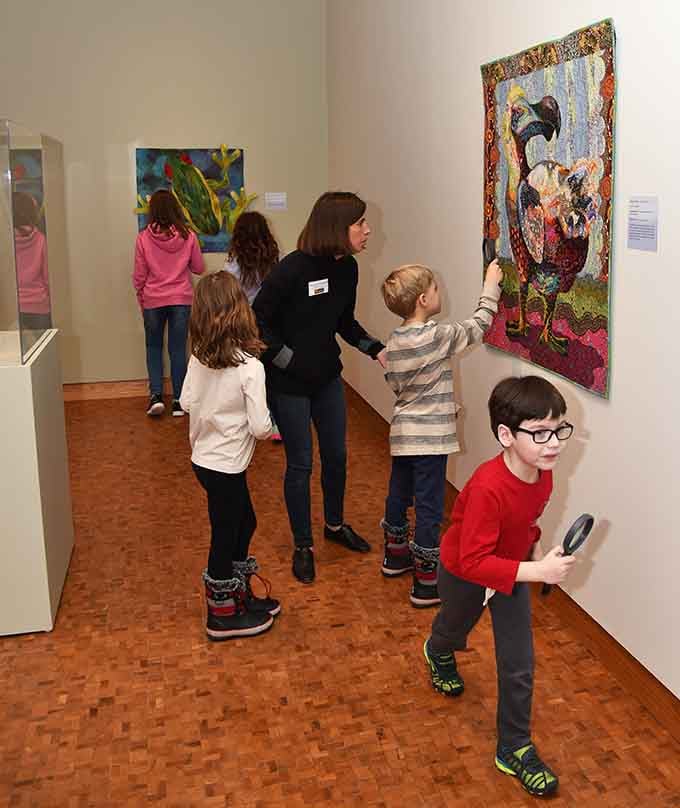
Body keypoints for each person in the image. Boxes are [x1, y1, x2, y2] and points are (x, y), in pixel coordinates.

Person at [423, 375, 576, 798]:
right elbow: (474, 560)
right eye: (540, 432)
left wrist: (537, 549)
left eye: (559, 428)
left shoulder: (543, 473)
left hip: (511, 572)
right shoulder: (489, 486)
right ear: (506, 435)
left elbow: (525, 521)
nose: (554, 443)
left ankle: (513, 746)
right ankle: (437, 650)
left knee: (519, 662)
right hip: (463, 572)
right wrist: (538, 573)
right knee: (454, 629)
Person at [253, 191, 386, 584]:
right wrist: (287, 360)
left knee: (337, 457)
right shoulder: (291, 269)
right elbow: (257, 322)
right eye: (360, 223)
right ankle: (303, 546)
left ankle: (334, 525)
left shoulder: (348, 270)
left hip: (327, 380)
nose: (367, 229)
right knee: (300, 464)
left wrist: (374, 348)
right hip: (289, 385)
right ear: (336, 227)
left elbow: (344, 322)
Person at [380, 260, 503, 607]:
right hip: (430, 438)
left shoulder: (395, 341)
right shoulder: (435, 336)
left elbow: (393, 381)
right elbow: (477, 327)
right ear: (422, 299)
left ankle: (395, 555)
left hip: (403, 435)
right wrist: (490, 287)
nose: (439, 292)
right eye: (435, 288)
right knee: (431, 505)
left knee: (399, 494)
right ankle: (427, 581)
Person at [179, 271, 279, 640]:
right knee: (225, 534)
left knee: (244, 522)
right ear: (241, 311)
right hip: (226, 466)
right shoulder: (250, 368)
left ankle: (238, 595)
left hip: (204, 462)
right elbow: (259, 427)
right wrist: (272, 428)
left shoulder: (197, 359)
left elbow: (187, 402)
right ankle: (220, 614)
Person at [133, 189, 205, 417]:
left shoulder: (143, 238)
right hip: (181, 299)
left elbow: (139, 276)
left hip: (153, 300)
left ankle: (155, 396)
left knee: (153, 347)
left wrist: (140, 294)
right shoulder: (189, 236)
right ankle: (178, 401)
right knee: (177, 349)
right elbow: (199, 268)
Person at [224, 211, 282, 440]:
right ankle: (274, 423)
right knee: (270, 373)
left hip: (244, 322)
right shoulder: (277, 258)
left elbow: (229, 293)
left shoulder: (233, 263)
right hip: (272, 322)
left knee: (246, 372)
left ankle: (249, 420)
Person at [12, 191, 52, 332]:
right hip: (39, 306)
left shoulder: (5, 241)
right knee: (43, 352)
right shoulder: (41, 239)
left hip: (12, 308)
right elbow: (48, 278)